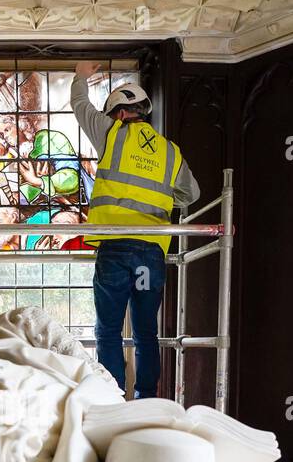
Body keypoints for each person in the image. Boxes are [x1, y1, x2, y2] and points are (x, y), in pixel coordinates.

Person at [72, 61, 200, 399]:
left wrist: (82, 75)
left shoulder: (111, 133)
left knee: (109, 331)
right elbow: (191, 194)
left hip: (115, 248)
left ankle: (114, 397)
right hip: (150, 253)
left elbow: (80, 107)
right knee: (146, 332)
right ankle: (146, 398)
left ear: (118, 114)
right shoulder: (170, 152)